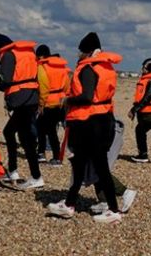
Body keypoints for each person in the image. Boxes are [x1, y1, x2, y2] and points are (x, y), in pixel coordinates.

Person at [47, 32, 125, 223]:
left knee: (100, 167)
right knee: (80, 163)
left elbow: (88, 96)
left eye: (80, 51)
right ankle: (69, 204)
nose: (78, 55)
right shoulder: (105, 67)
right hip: (103, 119)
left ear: (87, 51)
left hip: (91, 123)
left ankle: (113, 210)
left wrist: (67, 100)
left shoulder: (89, 69)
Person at [0, 33, 43, 189]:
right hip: (32, 97)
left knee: (24, 138)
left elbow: (7, 79)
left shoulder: (8, 55)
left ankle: (34, 176)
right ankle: (14, 170)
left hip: (21, 100)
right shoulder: (28, 53)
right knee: (16, 133)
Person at [36, 44, 69, 166]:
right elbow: (67, 85)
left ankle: (52, 156)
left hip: (48, 103)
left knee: (44, 129)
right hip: (60, 103)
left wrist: (41, 104)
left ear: (41, 56)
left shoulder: (42, 67)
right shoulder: (61, 67)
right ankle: (48, 154)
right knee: (49, 129)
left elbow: (43, 87)